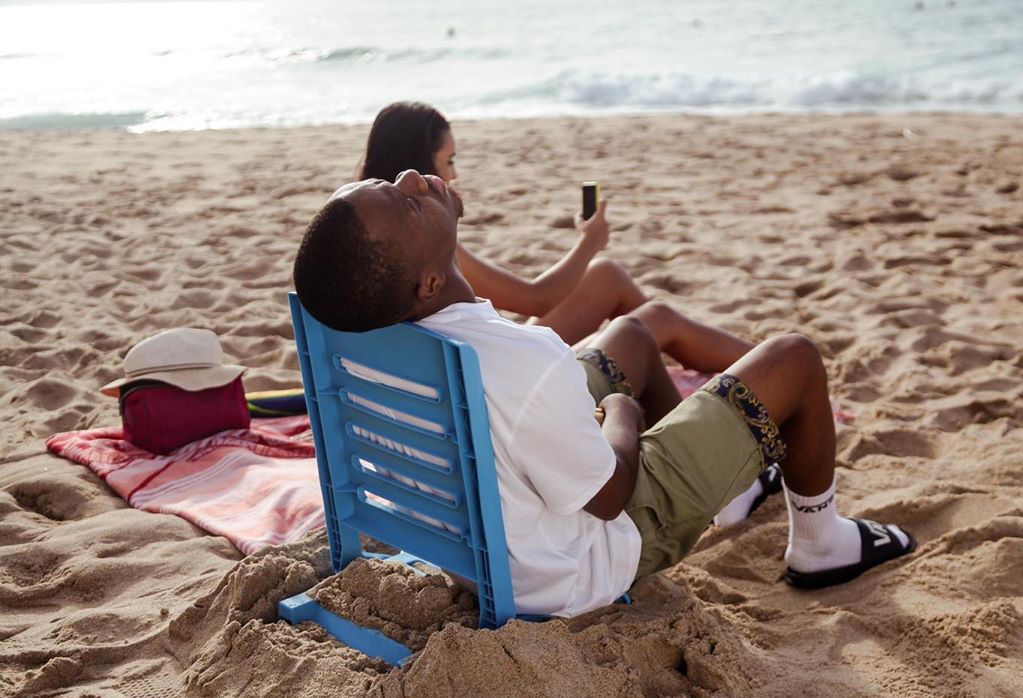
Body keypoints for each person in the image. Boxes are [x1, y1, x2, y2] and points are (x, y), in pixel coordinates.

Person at [291, 171, 917, 617]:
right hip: (574, 566)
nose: (412, 180)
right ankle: (820, 543)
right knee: (796, 357)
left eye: (391, 183)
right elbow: (610, 496)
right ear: (429, 282)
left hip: (476, 536)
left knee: (632, 336)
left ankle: (724, 489)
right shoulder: (521, 361)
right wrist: (622, 415)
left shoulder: (360, 337)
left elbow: (519, 393)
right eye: (408, 206)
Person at [356, 101, 752, 372]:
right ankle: (758, 366)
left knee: (607, 276)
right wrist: (590, 241)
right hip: (494, 376)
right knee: (657, 318)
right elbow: (537, 297)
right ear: (419, 162)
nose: (454, 175)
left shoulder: (360, 233)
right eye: (449, 161)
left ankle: (724, 365)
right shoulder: (424, 246)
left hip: (457, 363)